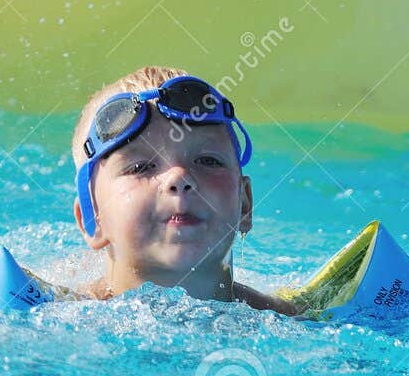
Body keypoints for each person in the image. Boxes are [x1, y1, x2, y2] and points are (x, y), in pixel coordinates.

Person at [70, 65, 298, 314]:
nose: (179, 177)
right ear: (92, 219)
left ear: (245, 204)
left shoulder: (299, 321)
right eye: (140, 167)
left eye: (208, 161)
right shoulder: (58, 317)